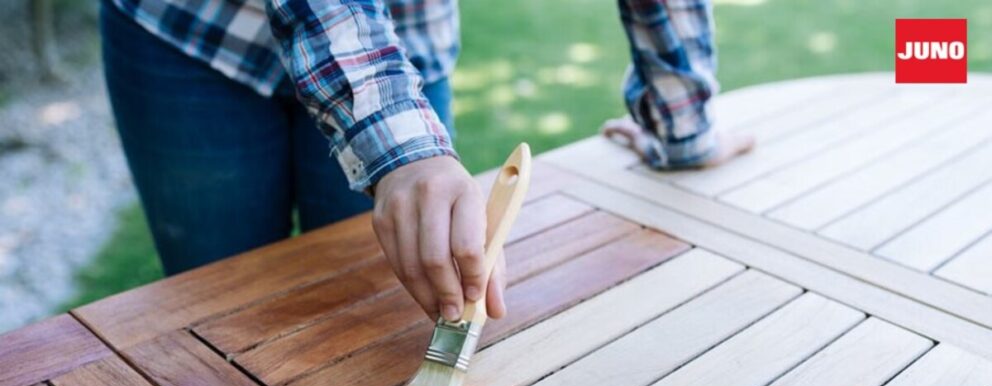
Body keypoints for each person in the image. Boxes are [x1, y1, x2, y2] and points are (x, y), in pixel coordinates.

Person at [101, 0, 752, 324]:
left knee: (381, 319)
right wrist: (404, 156)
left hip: (398, 39)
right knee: (217, 312)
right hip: (197, 29)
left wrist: (683, 123)